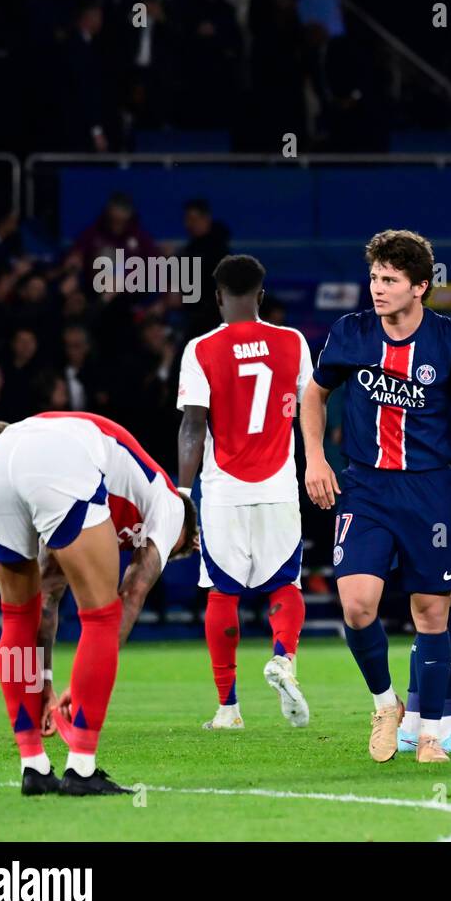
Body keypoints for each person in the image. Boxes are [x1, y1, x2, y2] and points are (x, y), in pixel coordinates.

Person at [300, 230, 451, 764]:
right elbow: (313, 395)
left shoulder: (449, 339)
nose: (377, 289)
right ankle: (385, 704)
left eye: (390, 280)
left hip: (429, 490)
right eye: (374, 278)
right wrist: (313, 457)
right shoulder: (350, 333)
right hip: (365, 486)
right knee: (356, 605)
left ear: (420, 286)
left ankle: (428, 736)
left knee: (432, 613)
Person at [0, 411, 197, 795]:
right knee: (102, 615)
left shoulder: (114, 490)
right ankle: (82, 769)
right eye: (176, 552)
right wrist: (82, 683)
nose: (167, 555)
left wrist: (42, 681)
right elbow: (134, 591)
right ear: (188, 534)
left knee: (17, 613)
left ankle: (34, 766)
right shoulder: (171, 504)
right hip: (56, 458)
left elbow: (48, 600)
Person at [175, 254, 314, 732]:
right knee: (285, 582)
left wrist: (183, 492)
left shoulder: (201, 349)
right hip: (279, 483)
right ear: (261, 293)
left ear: (217, 296)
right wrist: (316, 460)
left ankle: (228, 708)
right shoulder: (292, 342)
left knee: (222, 591)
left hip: (222, 490)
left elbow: (193, 425)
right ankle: (283, 658)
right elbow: (312, 407)